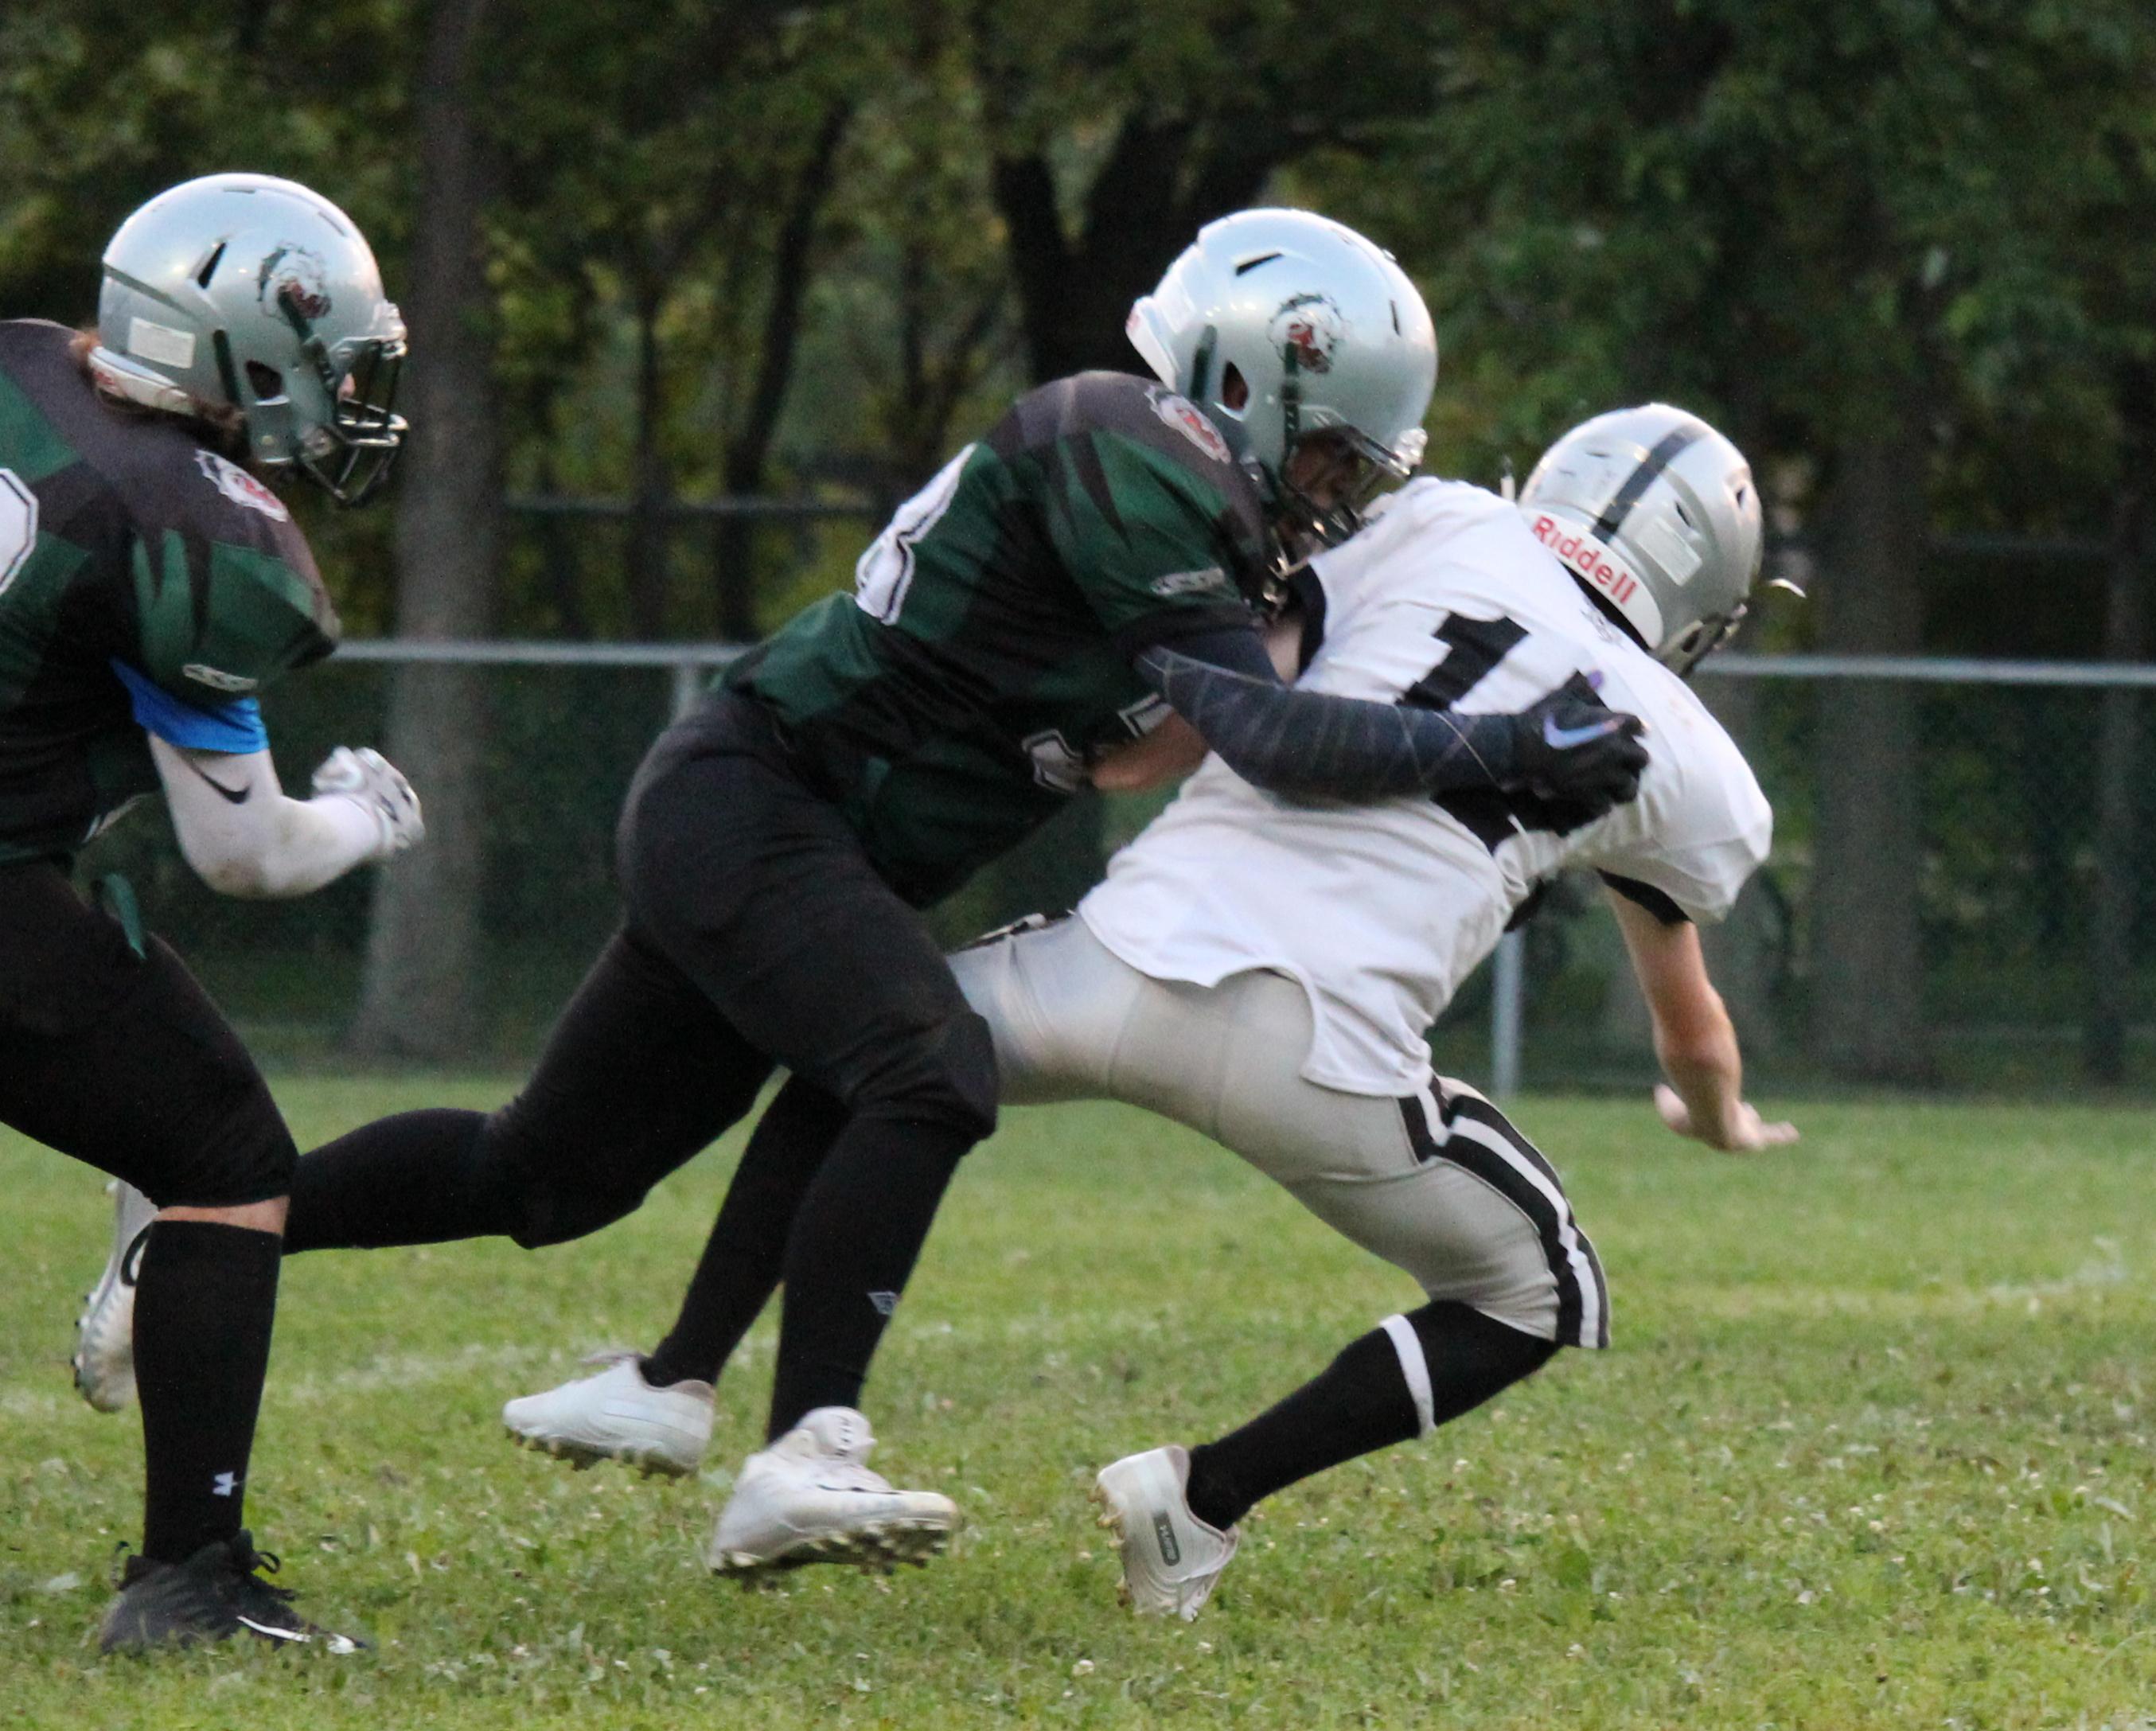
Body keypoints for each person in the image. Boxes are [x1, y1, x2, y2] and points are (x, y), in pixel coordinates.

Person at [72, 209, 1647, 1577]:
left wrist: (1286, 642)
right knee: (925, 1062)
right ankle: (800, 1449)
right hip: (757, 801)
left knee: (546, 1176)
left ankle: (206, 1230)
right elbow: (1259, 739)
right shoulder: (1127, 435)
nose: (1332, 489)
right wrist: (1502, 744)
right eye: (1324, 451)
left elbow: (1139, 758)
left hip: (781, 825)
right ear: (1242, 382)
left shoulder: (1201, 514)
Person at [497, 404, 1795, 1617]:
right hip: (1321, 1056)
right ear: (1699, 595)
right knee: (1539, 1288)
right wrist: (1717, 1114)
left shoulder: (1436, 519)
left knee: (880, 1052)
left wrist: (1088, 762)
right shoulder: (1687, 756)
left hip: (1114, 959)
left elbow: (1238, 677)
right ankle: (1198, 1497)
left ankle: (682, 1371)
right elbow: (1688, 1025)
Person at [6, 173, 420, 1652]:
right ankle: (191, 1575)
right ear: (239, 346)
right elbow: (243, 854)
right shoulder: (186, 521)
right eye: (330, 356)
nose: (345, 393)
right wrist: (368, 817)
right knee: (227, 1148)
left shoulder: (22, 370)